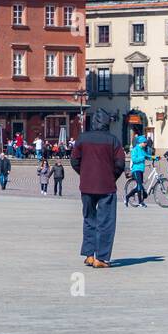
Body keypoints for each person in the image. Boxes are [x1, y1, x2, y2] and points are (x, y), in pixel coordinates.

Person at [71, 109, 125, 268]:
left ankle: (89, 254)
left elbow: (74, 160)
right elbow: (120, 163)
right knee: (105, 222)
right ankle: (100, 258)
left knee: (89, 219)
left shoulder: (82, 138)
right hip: (106, 186)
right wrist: (112, 176)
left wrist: (84, 173)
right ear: (107, 123)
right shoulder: (113, 140)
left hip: (87, 185)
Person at [127, 134, 150, 207]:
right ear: (140, 142)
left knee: (139, 186)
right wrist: (142, 158)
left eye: (146, 142)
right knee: (139, 186)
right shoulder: (135, 149)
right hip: (136, 170)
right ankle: (140, 201)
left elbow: (147, 156)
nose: (146, 144)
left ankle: (128, 196)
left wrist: (155, 157)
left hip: (141, 170)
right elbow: (134, 160)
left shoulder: (142, 150)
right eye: (144, 142)